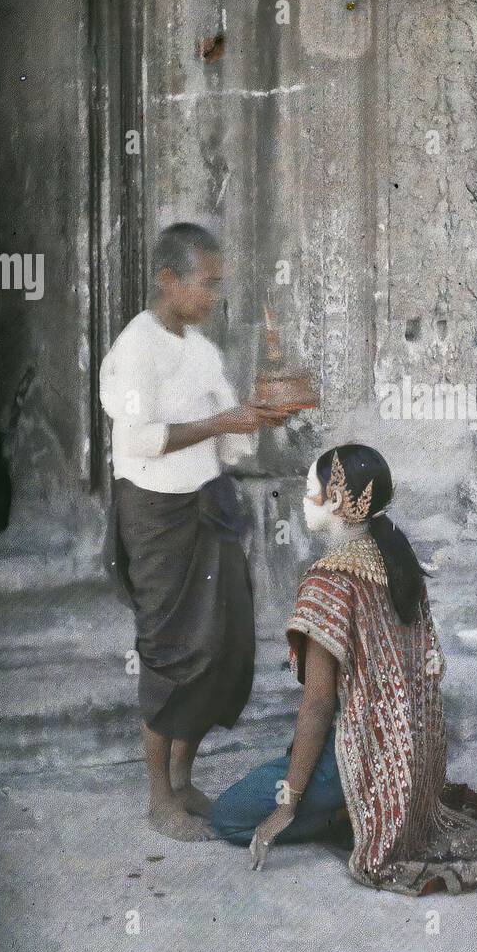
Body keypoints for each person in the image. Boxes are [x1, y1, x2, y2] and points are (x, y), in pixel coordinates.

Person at [210, 443, 477, 894]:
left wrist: (287, 807)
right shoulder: (397, 559)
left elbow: (317, 706)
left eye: (312, 488)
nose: (303, 497)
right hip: (412, 762)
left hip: (358, 758)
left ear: (337, 500)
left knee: (228, 817)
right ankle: (352, 809)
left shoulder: (329, 580)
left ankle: (343, 814)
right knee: (295, 762)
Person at [100, 222, 285, 841]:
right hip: (156, 514)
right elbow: (140, 440)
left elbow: (232, 444)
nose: (214, 297)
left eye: (219, 285)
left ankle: (182, 779)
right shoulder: (136, 349)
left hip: (209, 505)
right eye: (206, 285)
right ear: (168, 279)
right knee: (171, 653)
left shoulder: (202, 350)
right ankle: (159, 798)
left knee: (221, 648)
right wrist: (224, 419)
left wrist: (255, 415)